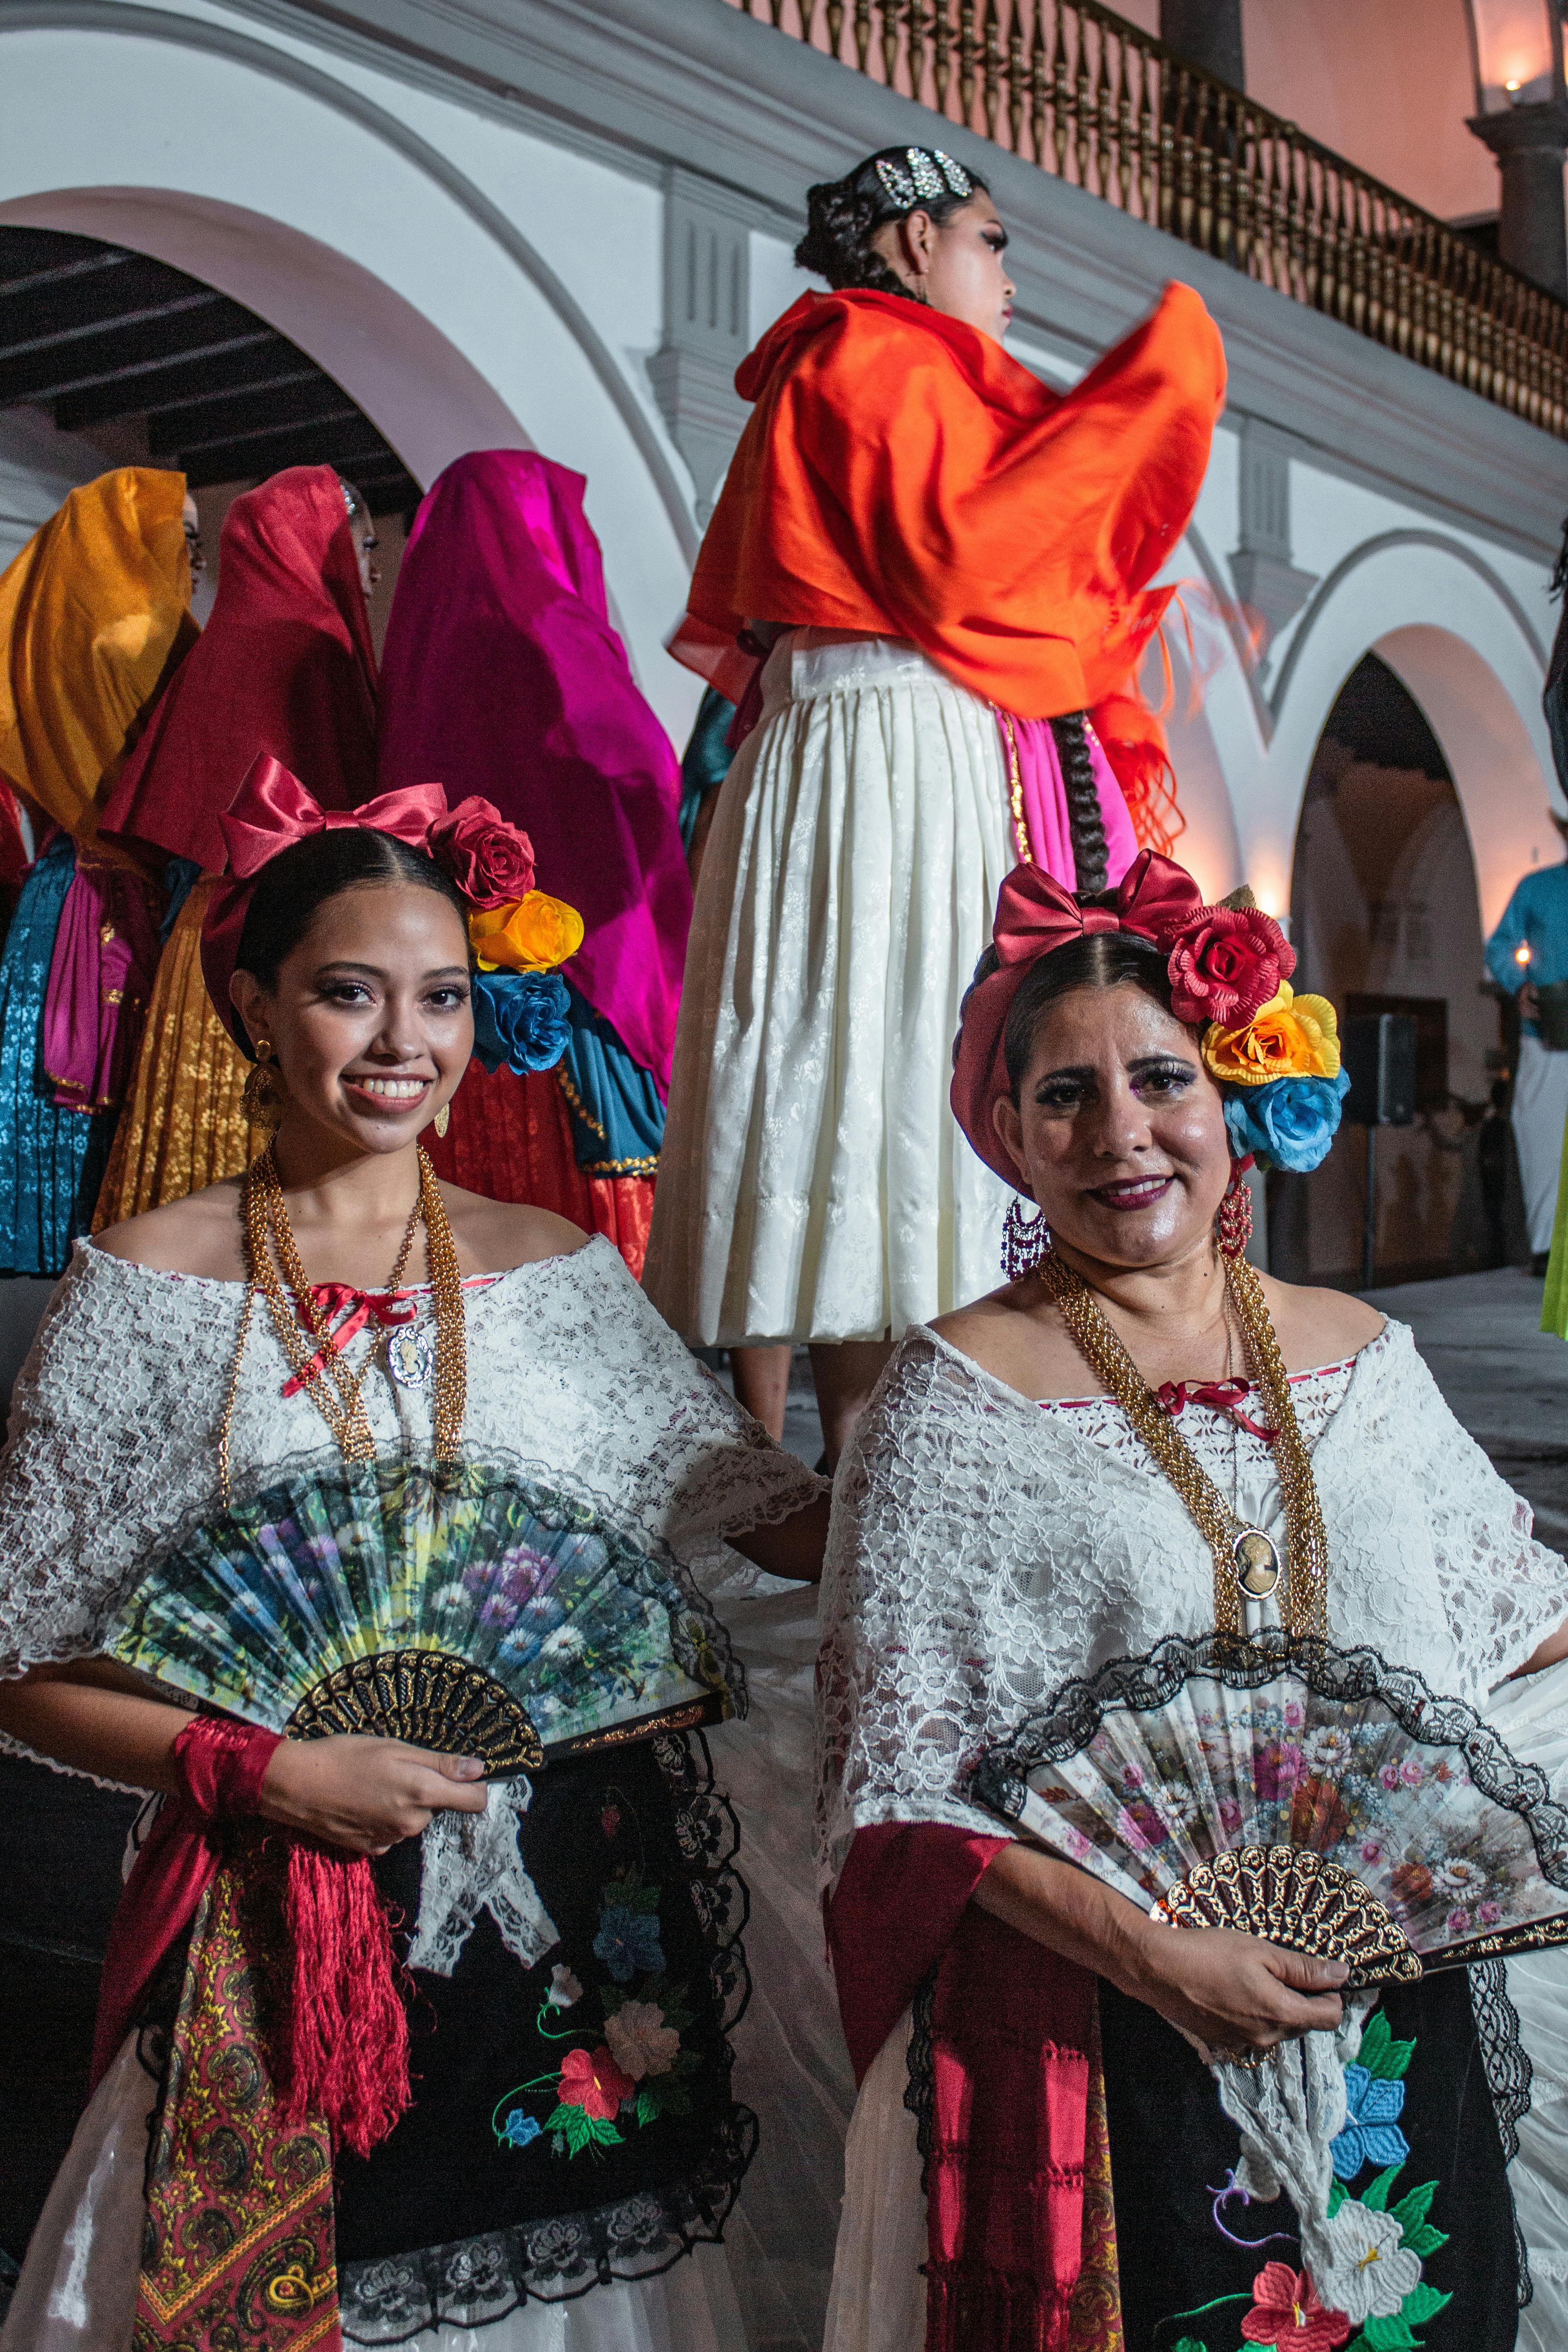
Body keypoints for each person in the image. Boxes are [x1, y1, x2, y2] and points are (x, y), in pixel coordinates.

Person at [0, 762, 838, 2352]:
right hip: (266, 1912)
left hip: (576, 1928)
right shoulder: (136, 1287)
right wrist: (259, 1772)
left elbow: (763, 1521)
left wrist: (1004, 1436)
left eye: (442, 996)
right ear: (253, 1006)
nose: (405, 1042)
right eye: (349, 992)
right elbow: (26, 1669)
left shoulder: (559, 1271)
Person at [815, 851, 1568, 2350]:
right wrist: (1160, 1957)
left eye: (1161, 1078)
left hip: (1390, 2000)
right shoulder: (947, 1401)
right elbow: (898, 1796)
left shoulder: (1363, 1352)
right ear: (1006, 1134)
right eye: (1063, 1098)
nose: (1121, 1136)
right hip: (1109, 2024)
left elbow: (1507, 1621)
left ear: (1233, 1089)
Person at [645, 142, 1226, 1461]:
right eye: (990, 239)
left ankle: (882, 1461)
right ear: (913, 245)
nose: (1008, 275)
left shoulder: (870, 365)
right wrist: (1147, 400)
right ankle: (875, 1466)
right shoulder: (878, 357)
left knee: (888, 1072)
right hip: (885, 747)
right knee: (891, 1062)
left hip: (878, 742)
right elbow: (968, 559)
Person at [375, 450, 691, 1282]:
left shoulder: (419, 648)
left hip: (445, 1005)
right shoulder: (557, 632)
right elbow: (641, 786)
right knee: (595, 1255)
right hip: (571, 1000)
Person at [91, 466, 379, 1228]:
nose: (371, 566)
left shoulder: (219, 648)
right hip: (297, 935)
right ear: (317, 538)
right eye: (359, 541)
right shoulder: (313, 647)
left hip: (203, 935)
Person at [0, 468, 199, 1276]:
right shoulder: (143, 633)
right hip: (124, 892)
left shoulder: (42, 621)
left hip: (56, 892)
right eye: (181, 534)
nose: (194, 554)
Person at [1485, 813, 1568, 1276]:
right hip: (1548, 1034)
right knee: (1542, 1137)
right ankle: (1548, 1250)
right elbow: (1499, 946)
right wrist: (1520, 986)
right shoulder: (1537, 888)